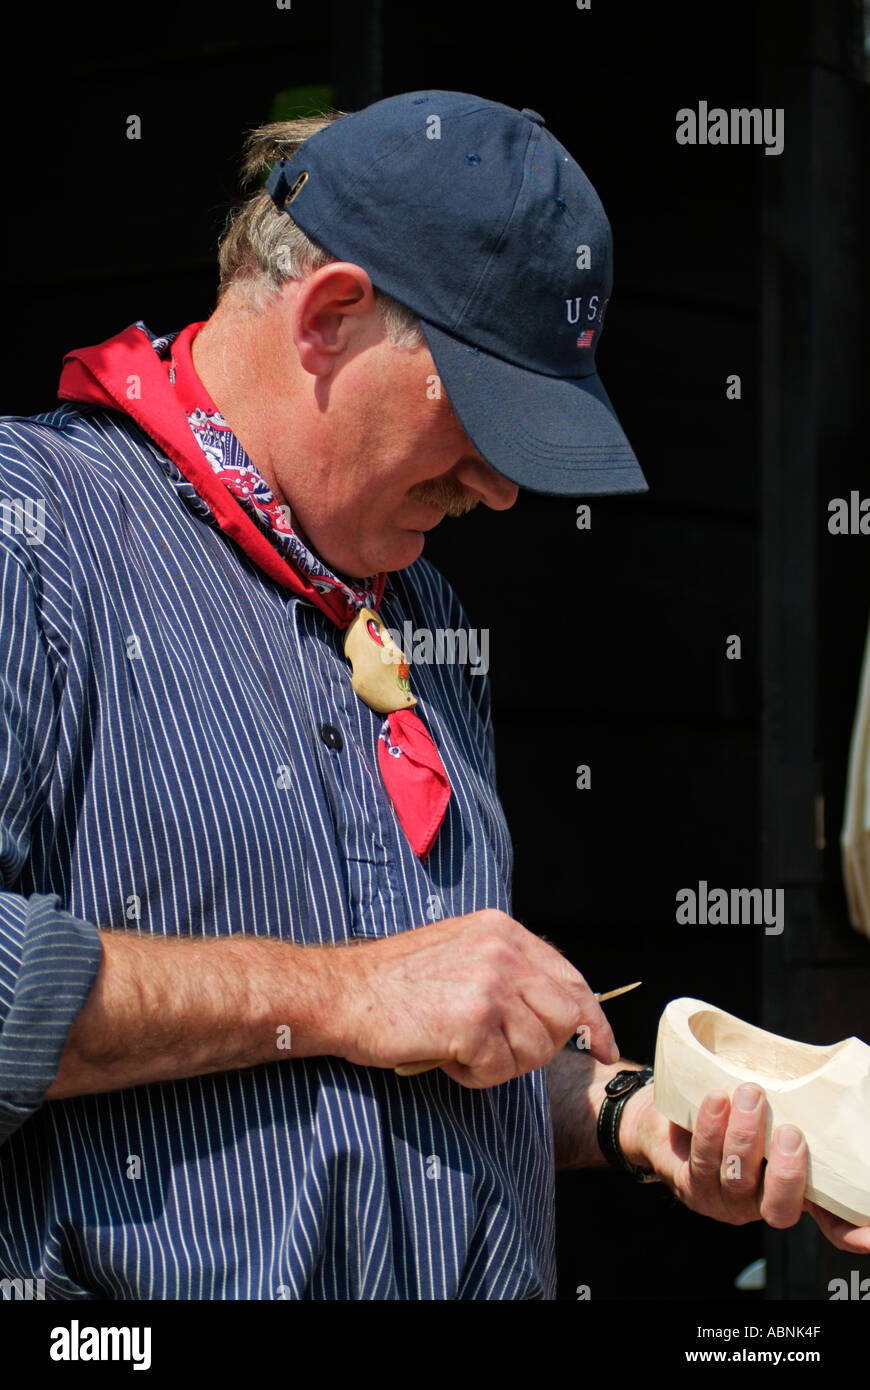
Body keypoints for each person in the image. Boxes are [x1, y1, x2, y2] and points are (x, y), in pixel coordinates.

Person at [0, 90, 865, 1302]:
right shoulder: (32, 536)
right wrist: (349, 991)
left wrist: (627, 1114)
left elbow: (420, 1051)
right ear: (331, 314)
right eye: (488, 412)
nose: (506, 488)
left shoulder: (426, 614)